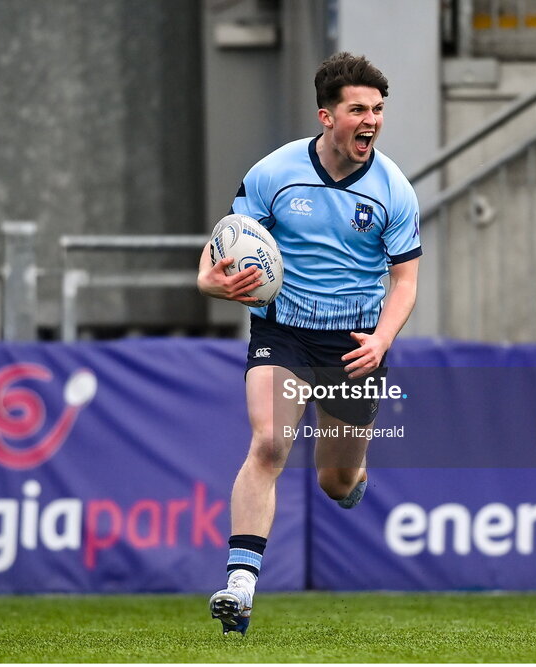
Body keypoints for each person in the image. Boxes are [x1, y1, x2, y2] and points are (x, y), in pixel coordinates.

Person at [196, 52, 421, 636]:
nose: (371, 120)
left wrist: (382, 340)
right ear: (327, 116)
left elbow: (405, 281)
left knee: (335, 481)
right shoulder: (274, 172)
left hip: (355, 344)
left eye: (378, 109)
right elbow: (226, 240)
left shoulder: (394, 189)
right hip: (284, 331)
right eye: (358, 109)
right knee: (270, 443)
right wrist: (208, 281)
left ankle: (353, 474)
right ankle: (240, 586)